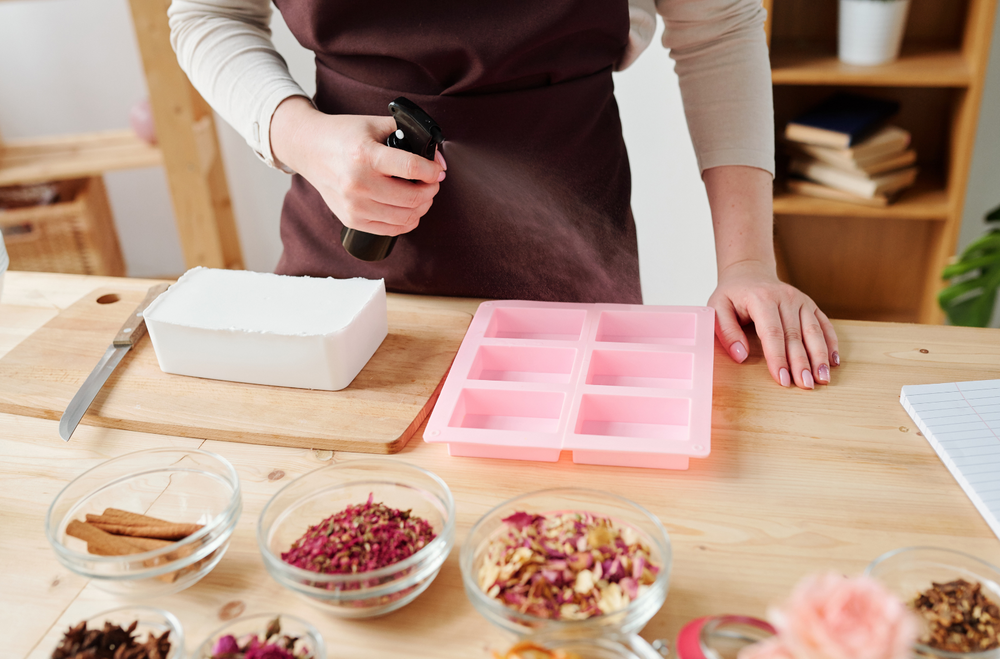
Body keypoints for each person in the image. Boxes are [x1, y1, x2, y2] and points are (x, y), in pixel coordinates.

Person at [168, 0, 839, 390]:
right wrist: (304, 138)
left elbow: (718, 29)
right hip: (345, 269)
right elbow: (208, 11)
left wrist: (748, 263)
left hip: (571, 270)